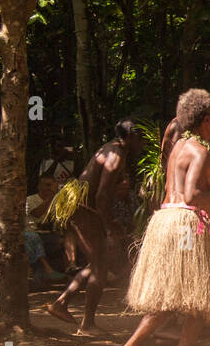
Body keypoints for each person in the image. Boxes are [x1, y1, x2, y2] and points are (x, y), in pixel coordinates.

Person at [118, 90, 210, 346]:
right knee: (197, 300)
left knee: (179, 297)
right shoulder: (199, 151)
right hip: (187, 224)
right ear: (206, 121)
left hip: (167, 221)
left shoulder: (179, 148)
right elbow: (192, 195)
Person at [45, 119, 143, 333]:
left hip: (86, 209)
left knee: (97, 262)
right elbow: (101, 195)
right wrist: (108, 226)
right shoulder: (115, 155)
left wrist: (108, 220)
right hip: (85, 210)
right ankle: (87, 324)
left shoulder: (111, 148)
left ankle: (61, 303)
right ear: (130, 137)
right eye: (140, 137)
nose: (143, 143)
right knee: (100, 267)